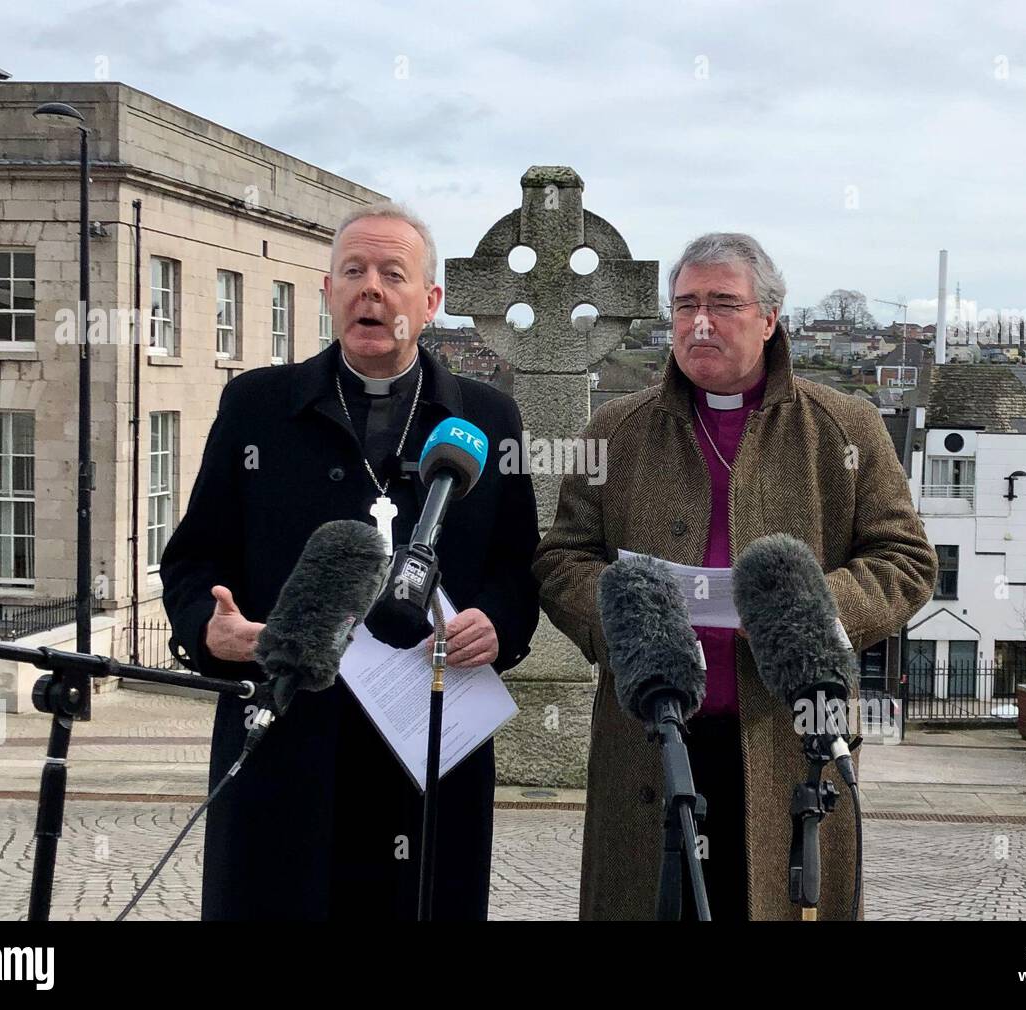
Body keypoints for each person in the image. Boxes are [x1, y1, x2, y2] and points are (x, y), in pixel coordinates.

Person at [532, 232, 937, 920]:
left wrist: (804, 612)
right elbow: (562, 558)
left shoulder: (846, 426)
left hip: (788, 739)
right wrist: (627, 624)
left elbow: (905, 560)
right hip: (652, 742)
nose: (699, 323)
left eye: (722, 304)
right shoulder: (614, 430)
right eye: (685, 305)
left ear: (770, 318)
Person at [161, 203, 540, 920]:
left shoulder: (487, 421)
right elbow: (193, 559)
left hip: (428, 754)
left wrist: (499, 625)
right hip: (285, 748)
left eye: (393, 274)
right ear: (328, 291)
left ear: (429, 302)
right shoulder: (256, 406)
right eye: (353, 271)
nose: (371, 288)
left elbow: (517, 568)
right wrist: (208, 633)